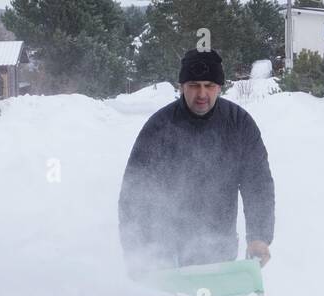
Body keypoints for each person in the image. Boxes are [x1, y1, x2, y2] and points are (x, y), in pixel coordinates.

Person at [117, 49, 275, 279]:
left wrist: (259, 237)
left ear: (220, 87)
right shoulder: (159, 127)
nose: (202, 93)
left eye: (209, 85)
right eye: (194, 85)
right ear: (181, 86)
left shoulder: (239, 125)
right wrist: (137, 252)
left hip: (218, 250)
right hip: (165, 253)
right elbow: (135, 194)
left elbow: (258, 185)